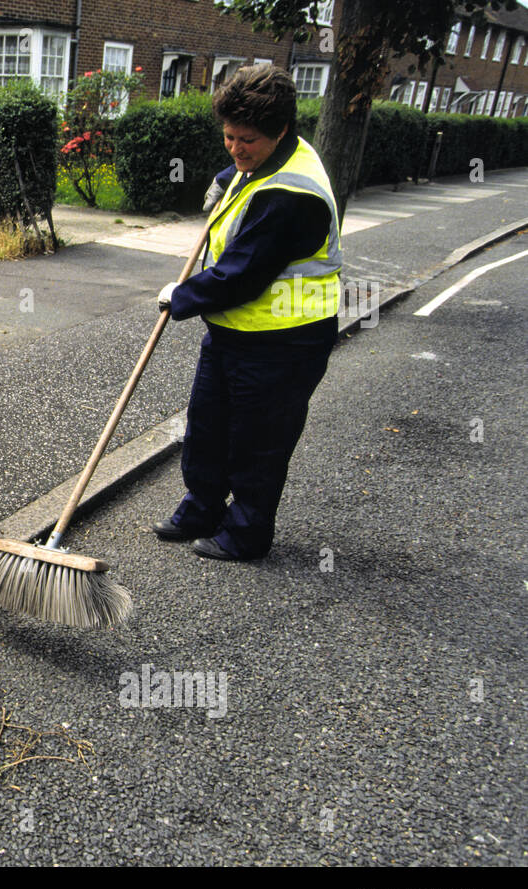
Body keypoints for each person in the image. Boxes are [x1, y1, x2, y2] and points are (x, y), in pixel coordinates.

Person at [153, 64, 341, 561]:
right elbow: (244, 173)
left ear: (281, 131)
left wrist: (181, 297)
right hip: (235, 331)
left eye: (248, 141)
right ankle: (203, 507)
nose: (236, 149)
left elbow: (240, 276)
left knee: (258, 443)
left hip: (287, 340)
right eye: (229, 137)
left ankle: (246, 533)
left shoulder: (291, 196)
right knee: (208, 425)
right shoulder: (265, 161)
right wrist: (224, 180)